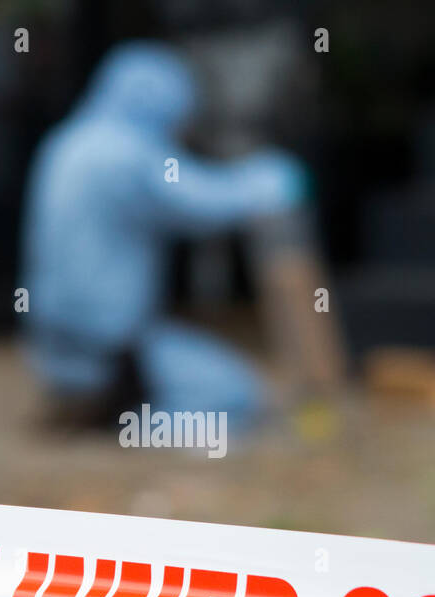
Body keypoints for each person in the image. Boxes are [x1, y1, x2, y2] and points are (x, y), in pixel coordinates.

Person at [20, 41, 309, 431]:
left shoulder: (66, 142)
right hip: (110, 344)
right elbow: (202, 201)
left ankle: (93, 404)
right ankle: (128, 421)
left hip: (52, 343)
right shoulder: (125, 153)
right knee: (235, 396)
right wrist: (263, 183)